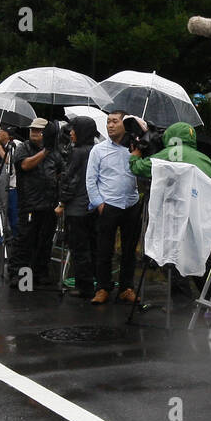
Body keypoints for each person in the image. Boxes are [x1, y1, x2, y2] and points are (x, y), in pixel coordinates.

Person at [87, 110, 143, 305]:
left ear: (124, 124)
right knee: (104, 249)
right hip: (108, 205)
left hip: (131, 204)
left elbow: (144, 172)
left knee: (129, 250)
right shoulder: (98, 150)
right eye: (108, 121)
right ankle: (102, 287)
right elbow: (90, 180)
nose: (110, 125)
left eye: (115, 121)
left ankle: (126, 287)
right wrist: (99, 204)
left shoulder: (136, 148)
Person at [10, 117, 63, 288]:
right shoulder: (23, 148)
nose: (34, 132)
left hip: (49, 204)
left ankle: (41, 273)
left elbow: (62, 172)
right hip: (29, 203)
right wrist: (45, 151)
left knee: (45, 240)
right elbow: (25, 166)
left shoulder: (56, 151)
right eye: (33, 129)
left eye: (39, 130)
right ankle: (20, 276)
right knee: (25, 240)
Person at [58, 116, 99, 298]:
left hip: (77, 206)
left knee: (78, 248)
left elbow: (70, 180)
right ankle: (94, 283)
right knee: (92, 246)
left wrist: (62, 202)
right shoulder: (96, 150)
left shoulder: (78, 152)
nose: (71, 133)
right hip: (93, 206)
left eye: (74, 130)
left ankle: (84, 287)